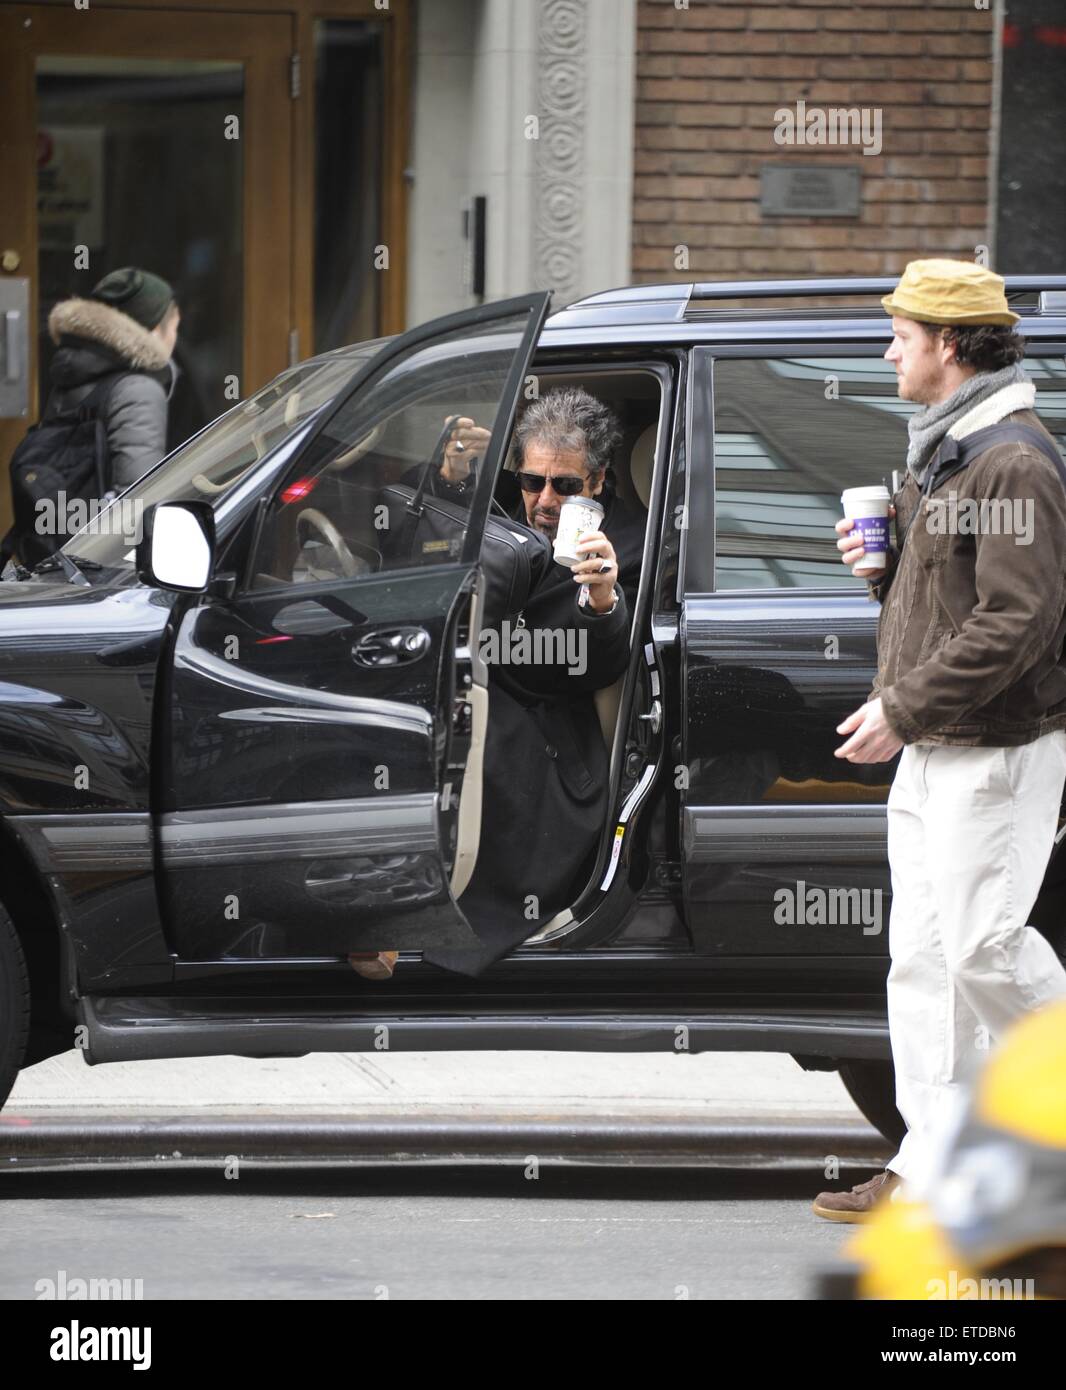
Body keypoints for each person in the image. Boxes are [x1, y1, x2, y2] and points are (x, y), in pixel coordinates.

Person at [813, 258, 1066, 1221]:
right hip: (940, 747)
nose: (888, 353)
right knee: (922, 960)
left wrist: (900, 708)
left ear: (949, 346)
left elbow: (1018, 622)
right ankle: (933, 1168)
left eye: (900, 337)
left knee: (983, 954)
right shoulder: (950, 450)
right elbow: (958, 606)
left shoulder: (1012, 460)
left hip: (995, 747)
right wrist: (880, 578)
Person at [347, 387, 646, 980]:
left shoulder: (627, 544)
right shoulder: (504, 508)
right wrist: (451, 477)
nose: (545, 499)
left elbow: (603, 661)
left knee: (477, 729)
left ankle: (408, 918)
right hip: (471, 682)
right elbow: (429, 539)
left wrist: (602, 597)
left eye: (565, 485)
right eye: (533, 480)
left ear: (598, 482)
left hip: (550, 729)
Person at [45, 266, 180, 493]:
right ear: (155, 331)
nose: (175, 338)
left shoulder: (73, 372)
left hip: (60, 525)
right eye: (175, 328)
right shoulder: (138, 390)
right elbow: (138, 502)